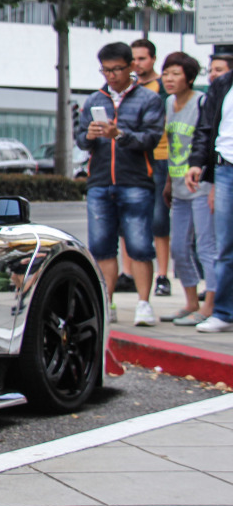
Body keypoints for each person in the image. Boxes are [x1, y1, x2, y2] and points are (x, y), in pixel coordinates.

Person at [76, 42, 165, 325]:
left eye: (117, 69)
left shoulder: (148, 99)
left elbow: (151, 138)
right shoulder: (94, 100)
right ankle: (107, 302)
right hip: (100, 181)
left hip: (135, 180)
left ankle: (143, 304)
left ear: (131, 67)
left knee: (139, 245)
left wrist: (119, 134)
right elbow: (80, 139)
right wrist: (89, 135)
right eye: (106, 70)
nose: (111, 75)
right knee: (101, 246)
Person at [161, 52, 217, 326]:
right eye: (166, 73)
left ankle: (211, 306)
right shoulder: (169, 103)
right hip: (178, 185)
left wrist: (213, 182)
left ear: (190, 77)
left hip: (201, 184)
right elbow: (172, 146)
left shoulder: (202, 102)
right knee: (179, 248)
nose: (169, 79)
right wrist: (169, 182)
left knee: (206, 247)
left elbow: (208, 142)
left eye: (176, 74)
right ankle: (191, 302)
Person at [184, 59, 233, 333]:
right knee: (225, 246)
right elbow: (205, 127)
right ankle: (224, 313)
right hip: (226, 168)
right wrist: (197, 163)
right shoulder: (224, 84)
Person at [132, 39, 171, 298]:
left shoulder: (162, 87)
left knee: (159, 220)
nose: (137, 64)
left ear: (153, 59)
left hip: (161, 156)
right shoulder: (128, 88)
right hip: (135, 157)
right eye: (133, 59)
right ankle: (128, 273)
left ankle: (162, 275)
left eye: (142, 58)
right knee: (130, 217)